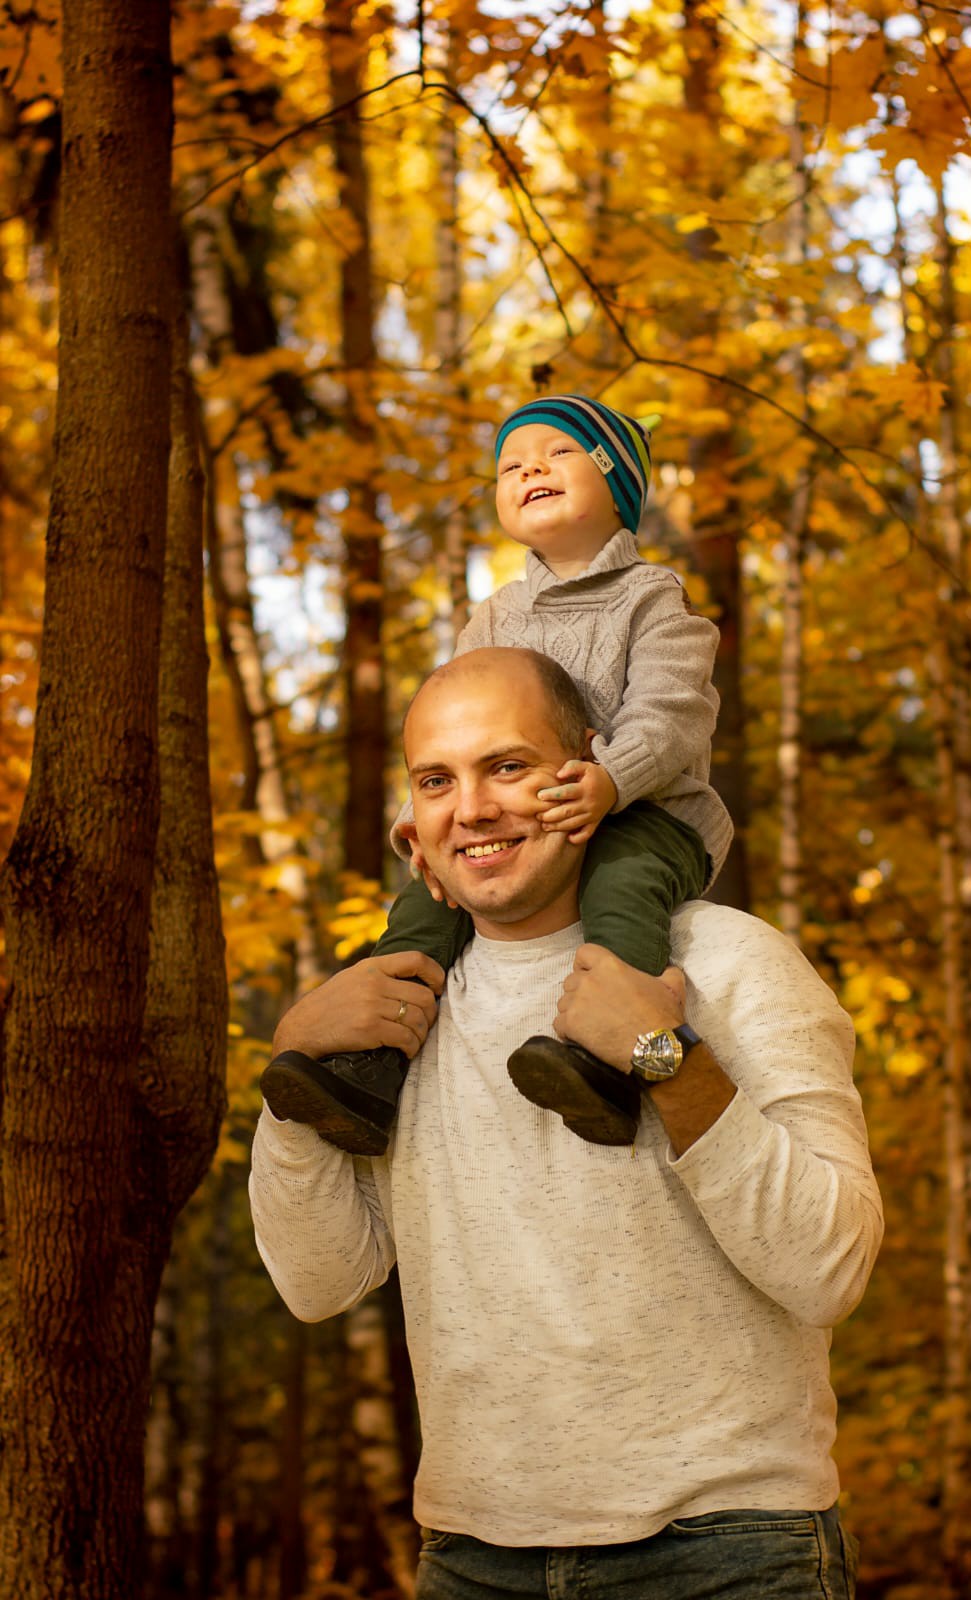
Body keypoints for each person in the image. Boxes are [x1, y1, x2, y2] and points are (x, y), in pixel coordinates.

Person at [250, 647, 883, 1600]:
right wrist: (292, 1068)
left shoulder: (731, 963)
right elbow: (317, 1283)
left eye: (507, 766)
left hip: (730, 1551)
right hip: (472, 1555)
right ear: (412, 817)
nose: (472, 809)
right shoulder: (392, 1009)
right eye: (436, 780)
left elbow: (830, 1268)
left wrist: (664, 1058)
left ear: (589, 766)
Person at [260, 394, 734, 1155]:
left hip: (647, 813)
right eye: (511, 465)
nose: (530, 470)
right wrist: (421, 823)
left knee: (621, 886)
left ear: (617, 483)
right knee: (424, 909)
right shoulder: (494, 616)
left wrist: (613, 778)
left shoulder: (653, 600)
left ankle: (606, 1063)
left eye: (558, 453)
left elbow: (674, 712)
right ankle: (370, 1067)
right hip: (522, 815)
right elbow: (447, 728)